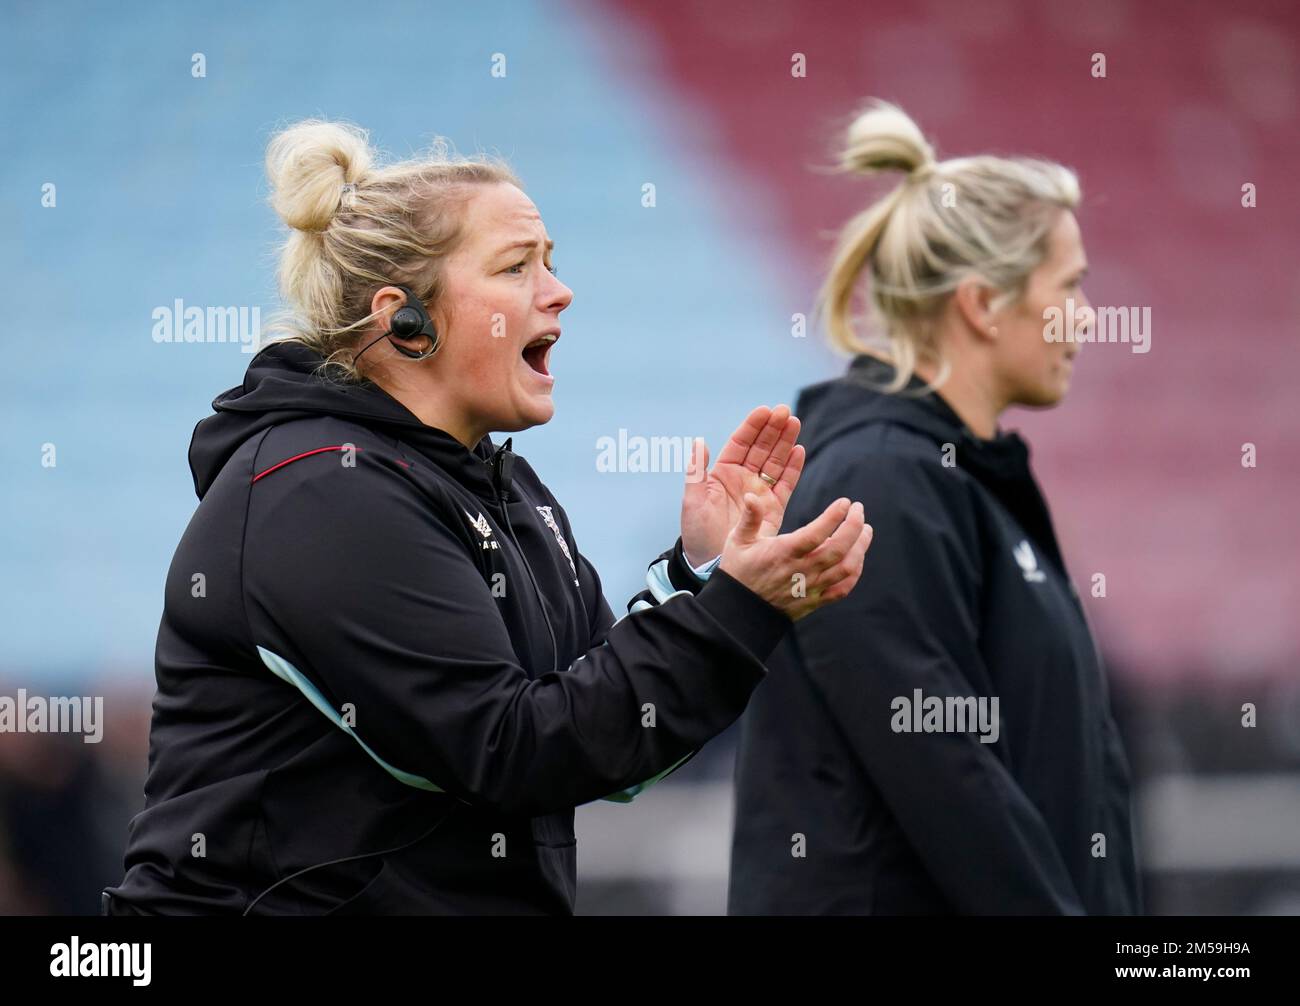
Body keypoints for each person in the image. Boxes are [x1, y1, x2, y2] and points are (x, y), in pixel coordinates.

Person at [103, 120, 873, 915]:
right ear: (404, 319)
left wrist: (703, 577)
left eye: (550, 262)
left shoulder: (505, 489)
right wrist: (740, 610)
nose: (559, 290)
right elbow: (513, 750)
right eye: (516, 267)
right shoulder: (323, 490)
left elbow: (607, 747)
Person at [728, 101, 1140, 915]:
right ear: (984, 304)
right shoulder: (883, 479)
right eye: (1071, 288)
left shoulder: (951, 478)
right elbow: (944, 770)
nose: (1087, 320)